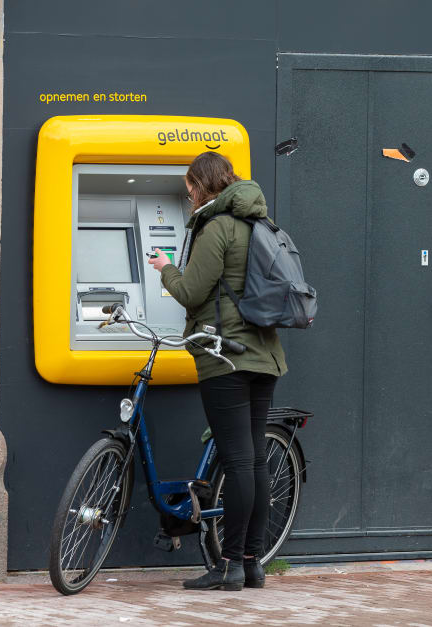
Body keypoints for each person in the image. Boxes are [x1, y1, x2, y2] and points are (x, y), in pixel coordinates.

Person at [149, 152, 287, 591]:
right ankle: (251, 564)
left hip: (225, 357)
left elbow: (191, 292)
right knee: (254, 463)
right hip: (263, 355)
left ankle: (227, 565)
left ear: (202, 184)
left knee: (239, 459)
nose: (187, 193)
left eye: (190, 185)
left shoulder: (217, 226)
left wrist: (164, 268)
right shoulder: (257, 223)